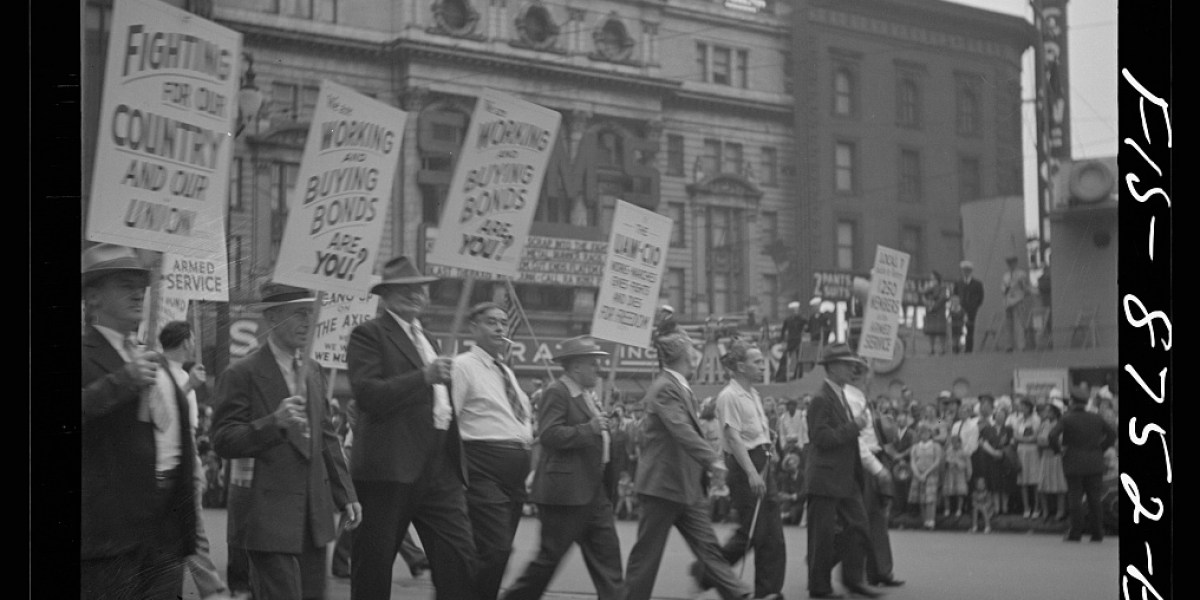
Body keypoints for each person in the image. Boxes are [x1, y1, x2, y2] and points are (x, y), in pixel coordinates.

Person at [210, 282, 361, 600]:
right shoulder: (242, 373)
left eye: (312, 313)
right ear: (273, 317)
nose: (309, 322)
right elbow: (223, 440)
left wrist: (346, 494)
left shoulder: (314, 371)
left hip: (313, 518)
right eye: (299, 313)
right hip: (267, 516)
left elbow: (326, 439)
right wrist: (272, 423)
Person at [345, 256, 480, 600]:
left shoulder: (431, 340)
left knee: (459, 558)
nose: (415, 295)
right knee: (374, 567)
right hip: (390, 466)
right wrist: (424, 377)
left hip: (439, 465)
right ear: (386, 294)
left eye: (420, 289)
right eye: (405, 289)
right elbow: (368, 394)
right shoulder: (369, 334)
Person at [80, 244, 197, 600]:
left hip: (163, 538)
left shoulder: (154, 362)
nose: (137, 293)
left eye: (140, 286)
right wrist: (123, 381)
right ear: (94, 297)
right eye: (124, 284)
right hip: (109, 542)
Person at [623, 331, 771, 600]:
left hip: (686, 486)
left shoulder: (678, 385)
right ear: (680, 355)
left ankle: (739, 595)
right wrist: (712, 459)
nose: (696, 358)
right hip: (662, 487)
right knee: (646, 558)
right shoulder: (666, 387)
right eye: (692, 352)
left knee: (710, 550)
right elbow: (681, 429)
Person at [501, 336, 623, 600]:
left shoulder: (588, 396)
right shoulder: (557, 392)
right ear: (576, 366)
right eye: (593, 364)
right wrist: (589, 429)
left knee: (609, 562)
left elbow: (595, 435)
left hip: (594, 492)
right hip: (565, 495)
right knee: (548, 560)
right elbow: (549, 434)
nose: (598, 369)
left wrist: (607, 428)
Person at [451, 302, 535, 600]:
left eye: (503, 322)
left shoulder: (506, 372)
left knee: (490, 549)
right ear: (473, 328)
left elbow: (520, 420)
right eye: (492, 322)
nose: (501, 328)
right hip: (481, 469)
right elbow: (449, 419)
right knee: (497, 548)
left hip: (513, 477)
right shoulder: (463, 366)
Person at [693, 341, 787, 599]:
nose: (761, 365)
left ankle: (769, 592)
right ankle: (707, 572)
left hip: (762, 461)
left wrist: (770, 447)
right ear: (740, 366)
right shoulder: (729, 396)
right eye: (756, 362)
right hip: (745, 466)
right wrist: (751, 472)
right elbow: (733, 438)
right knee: (753, 532)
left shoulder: (753, 393)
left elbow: (756, 429)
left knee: (773, 536)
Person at [158, 321, 234, 600]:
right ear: (187, 342)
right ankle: (213, 591)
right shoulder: (161, 374)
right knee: (194, 529)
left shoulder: (178, 373)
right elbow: (163, 416)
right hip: (175, 459)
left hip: (184, 456)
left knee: (182, 530)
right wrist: (190, 385)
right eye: (192, 338)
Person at [804, 344, 879, 600]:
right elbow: (820, 437)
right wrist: (854, 426)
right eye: (847, 365)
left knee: (859, 527)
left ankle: (851, 577)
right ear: (833, 367)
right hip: (825, 478)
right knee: (822, 536)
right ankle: (819, 586)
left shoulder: (842, 395)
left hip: (845, 476)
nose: (852, 369)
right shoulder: (821, 399)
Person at [843, 376, 904, 589]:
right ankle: (857, 573)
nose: (871, 380)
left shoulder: (863, 399)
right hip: (864, 462)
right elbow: (856, 438)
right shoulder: (851, 399)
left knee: (876, 518)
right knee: (862, 519)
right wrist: (876, 468)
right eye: (867, 375)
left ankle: (880, 571)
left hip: (875, 457)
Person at [1050, 387, 1117, 542]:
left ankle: (1076, 532)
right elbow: (1112, 434)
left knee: (1075, 498)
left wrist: (1059, 450)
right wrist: (1101, 448)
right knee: (1095, 499)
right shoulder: (1096, 418)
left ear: (1072, 402)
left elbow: (1052, 435)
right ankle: (1097, 533)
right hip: (1094, 462)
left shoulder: (1067, 418)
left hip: (1073, 462)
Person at [1037, 400, 1068, 522]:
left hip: (1056, 457)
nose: (1047, 413)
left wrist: (1047, 443)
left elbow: (1058, 442)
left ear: (1055, 412)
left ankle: (1060, 511)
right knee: (1043, 485)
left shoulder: (1060, 424)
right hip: (1045, 457)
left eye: (1049, 411)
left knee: (1059, 485)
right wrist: (1046, 443)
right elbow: (1039, 440)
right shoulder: (1044, 424)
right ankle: (1045, 511)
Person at [1011, 398, 1042, 518]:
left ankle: (1036, 508)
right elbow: (1015, 435)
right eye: (1021, 406)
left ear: (1029, 407)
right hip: (1021, 451)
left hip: (1033, 451)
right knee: (1023, 481)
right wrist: (1023, 439)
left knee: (1035, 481)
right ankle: (1026, 508)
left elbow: (1036, 436)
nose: (1022, 409)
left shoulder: (1036, 419)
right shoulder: (1019, 420)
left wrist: (1024, 439)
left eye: (1024, 406)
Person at [908, 426, 942, 530]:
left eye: (926, 433)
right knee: (921, 499)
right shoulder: (915, 447)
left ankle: (931, 522)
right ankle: (924, 521)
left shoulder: (935, 446)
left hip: (931, 474)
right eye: (922, 433)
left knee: (930, 499)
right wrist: (917, 473)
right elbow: (913, 461)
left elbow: (937, 461)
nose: (924, 435)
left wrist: (926, 473)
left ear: (930, 434)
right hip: (918, 474)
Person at [1000, 256, 1032, 352]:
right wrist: (1006, 288)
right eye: (1009, 263)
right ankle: (1008, 346)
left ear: (1016, 263)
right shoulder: (1005, 276)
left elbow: (1025, 287)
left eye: (1012, 262)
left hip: (1018, 301)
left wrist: (1020, 284)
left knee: (1019, 324)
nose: (1010, 265)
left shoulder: (1021, 274)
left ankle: (1021, 346)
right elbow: (1003, 289)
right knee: (1008, 325)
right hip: (1008, 302)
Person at [953, 261, 984, 353]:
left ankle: (968, 349)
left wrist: (974, 307)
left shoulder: (977, 284)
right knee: (958, 329)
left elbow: (980, 297)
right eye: (964, 270)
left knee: (970, 330)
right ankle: (956, 348)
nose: (965, 272)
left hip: (971, 310)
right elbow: (955, 295)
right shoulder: (958, 283)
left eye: (967, 270)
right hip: (959, 310)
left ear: (970, 271)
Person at [941, 435, 972, 518]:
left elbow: (968, 465)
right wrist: (947, 463)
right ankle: (947, 509)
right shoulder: (948, 451)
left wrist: (968, 474)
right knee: (947, 493)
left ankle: (959, 509)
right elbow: (944, 462)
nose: (955, 444)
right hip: (949, 474)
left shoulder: (964, 452)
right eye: (953, 443)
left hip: (960, 474)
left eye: (956, 443)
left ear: (960, 443)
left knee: (960, 494)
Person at [777, 301, 807, 381]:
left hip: (798, 341)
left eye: (796, 310)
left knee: (799, 359)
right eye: (794, 310)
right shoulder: (788, 320)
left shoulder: (802, 319)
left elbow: (807, 328)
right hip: (790, 341)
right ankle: (781, 376)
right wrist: (782, 340)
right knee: (784, 358)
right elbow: (783, 330)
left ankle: (798, 375)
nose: (795, 311)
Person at [921, 271, 950, 355]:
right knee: (931, 332)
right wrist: (927, 303)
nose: (932, 280)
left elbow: (943, 298)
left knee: (941, 332)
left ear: (938, 279)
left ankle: (943, 349)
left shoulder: (943, 288)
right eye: (931, 279)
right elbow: (923, 296)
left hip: (939, 313)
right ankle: (932, 349)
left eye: (933, 278)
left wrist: (933, 306)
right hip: (930, 314)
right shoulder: (928, 289)